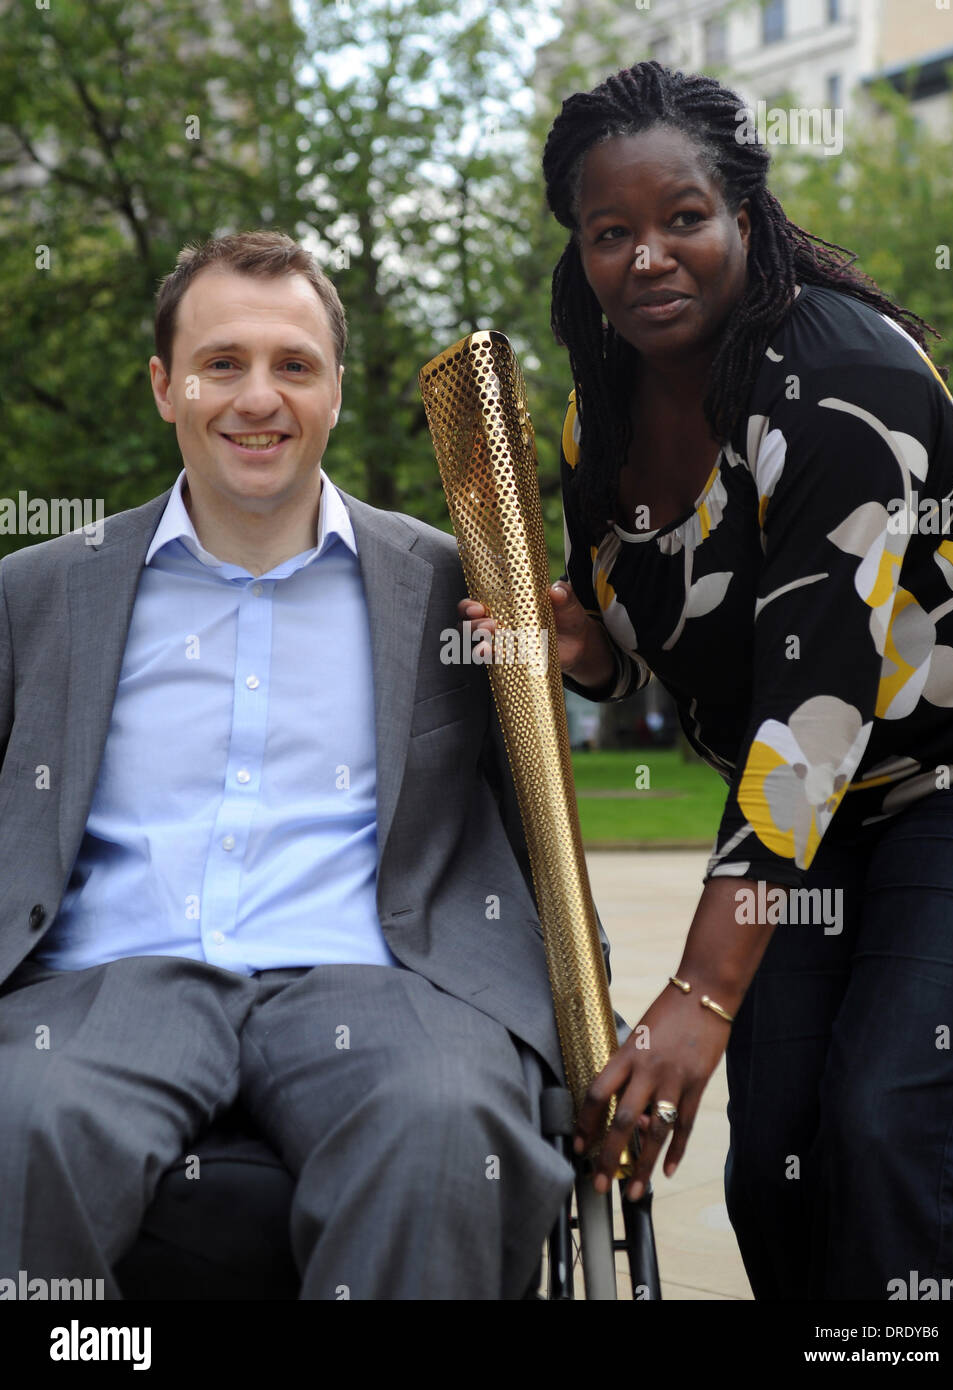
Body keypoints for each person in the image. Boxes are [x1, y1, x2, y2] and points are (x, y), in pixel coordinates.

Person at [464, 60, 953, 1301]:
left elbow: (811, 714)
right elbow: (660, 641)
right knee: (777, 1177)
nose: (647, 256)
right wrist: (581, 648)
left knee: (879, 1134)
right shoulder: (601, 408)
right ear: (578, 250)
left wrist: (698, 993)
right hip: (800, 823)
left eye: (681, 219)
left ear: (743, 218)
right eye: (610, 232)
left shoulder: (843, 382)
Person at [0, 230, 574, 1301]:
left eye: (293, 365)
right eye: (223, 363)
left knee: (447, 1125)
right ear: (165, 385)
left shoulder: (453, 582)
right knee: (19, 1124)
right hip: (107, 978)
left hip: (378, 977)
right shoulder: (36, 593)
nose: (257, 397)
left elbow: (537, 817)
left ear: (336, 392)